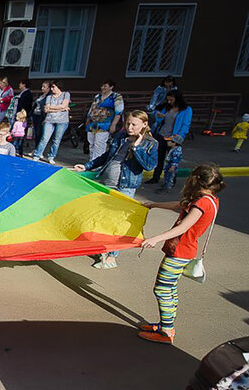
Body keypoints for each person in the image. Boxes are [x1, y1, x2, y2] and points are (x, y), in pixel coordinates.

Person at [138, 164, 224, 345]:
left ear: (195, 180)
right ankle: (165, 325)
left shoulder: (202, 203)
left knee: (162, 290)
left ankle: (167, 332)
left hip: (180, 251)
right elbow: (179, 206)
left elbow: (184, 227)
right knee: (170, 289)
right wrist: (153, 205)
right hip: (184, 250)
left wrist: (155, 239)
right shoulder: (209, 199)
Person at [74, 110, 157, 269]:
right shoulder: (121, 137)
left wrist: (137, 147)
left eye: (134, 124)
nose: (130, 127)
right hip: (108, 182)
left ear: (144, 125)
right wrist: (87, 166)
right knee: (103, 217)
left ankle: (112, 256)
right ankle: (101, 249)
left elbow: (149, 165)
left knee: (118, 222)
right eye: (128, 123)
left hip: (125, 187)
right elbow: (106, 156)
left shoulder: (150, 143)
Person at [148, 90, 192, 186]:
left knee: (172, 160)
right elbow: (159, 119)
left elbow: (186, 125)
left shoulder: (186, 110)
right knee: (159, 158)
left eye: (171, 100)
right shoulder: (167, 107)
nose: (169, 102)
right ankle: (156, 177)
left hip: (173, 137)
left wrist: (178, 138)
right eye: (168, 100)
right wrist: (159, 116)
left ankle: (170, 180)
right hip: (161, 135)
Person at [31, 80, 71, 165]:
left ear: (58, 87)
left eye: (53, 87)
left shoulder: (65, 94)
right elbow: (46, 109)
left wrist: (53, 108)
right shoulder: (49, 97)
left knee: (56, 139)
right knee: (44, 138)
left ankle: (51, 156)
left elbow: (64, 105)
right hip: (49, 120)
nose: (52, 89)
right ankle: (37, 154)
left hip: (62, 121)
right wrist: (61, 108)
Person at [85, 80, 124, 161]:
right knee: (91, 144)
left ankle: (97, 163)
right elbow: (92, 108)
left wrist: (113, 124)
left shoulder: (116, 97)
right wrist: (88, 119)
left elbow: (119, 112)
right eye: (102, 86)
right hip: (93, 124)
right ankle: (91, 161)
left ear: (111, 87)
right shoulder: (97, 96)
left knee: (99, 144)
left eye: (105, 86)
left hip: (105, 124)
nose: (103, 88)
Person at [30, 81, 49, 155]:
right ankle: (36, 148)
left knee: (39, 133)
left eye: (44, 87)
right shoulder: (41, 95)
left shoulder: (49, 97)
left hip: (42, 116)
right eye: (42, 86)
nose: (42, 88)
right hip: (35, 115)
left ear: (48, 88)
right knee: (36, 133)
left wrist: (45, 118)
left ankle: (39, 150)